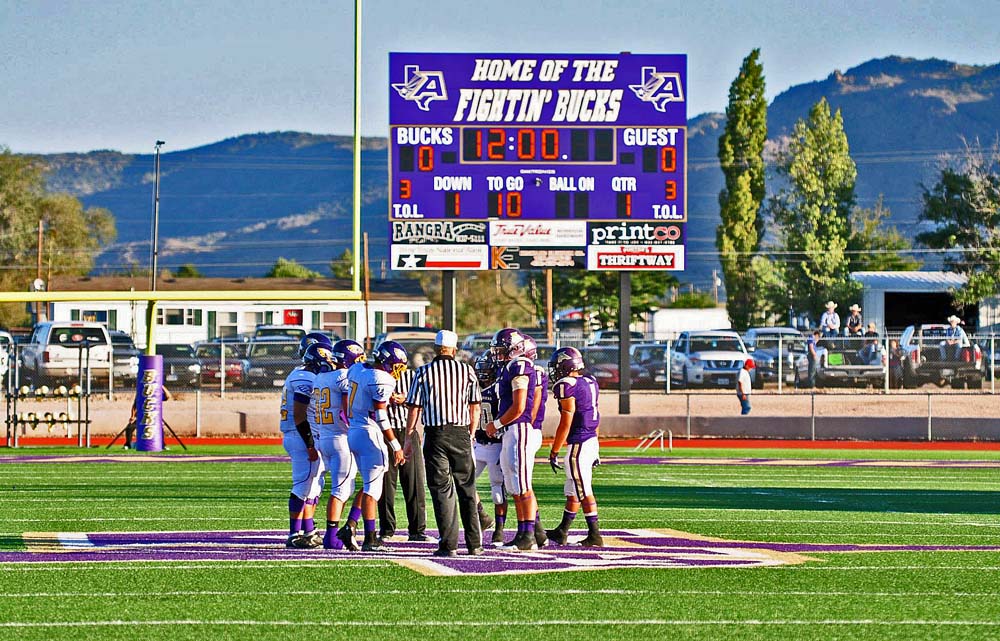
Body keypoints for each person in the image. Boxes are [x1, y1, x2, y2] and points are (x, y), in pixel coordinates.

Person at [404, 330, 484, 557]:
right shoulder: (466, 370)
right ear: (454, 349)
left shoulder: (423, 372)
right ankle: (474, 544)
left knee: (442, 490)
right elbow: (475, 406)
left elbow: (414, 408)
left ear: (436, 348)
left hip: (436, 434)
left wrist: (410, 438)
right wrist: (470, 433)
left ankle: (449, 544)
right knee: (467, 488)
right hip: (460, 432)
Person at [485, 327, 541, 551]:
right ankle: (522, 533)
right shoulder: (509, 367)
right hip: (511, 431)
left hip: (518, 429)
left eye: (501, 350)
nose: (497, 354)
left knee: (523, 485)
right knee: (514, 486)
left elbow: (519, 407)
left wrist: (496, 424)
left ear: (514, 348)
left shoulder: (521, 365)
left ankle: (528, 535)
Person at [544, 347, 604, 547]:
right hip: (589, 440)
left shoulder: (566, 384)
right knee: (573, 488)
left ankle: (595, 534)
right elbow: (594, 414)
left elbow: (566, 420)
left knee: (583, 489)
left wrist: (555, 449)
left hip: (579, 442)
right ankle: (563, 530)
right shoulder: (590, 381)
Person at [312, 339, 365, 550]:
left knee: (339, 488)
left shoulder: (321, 377)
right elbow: (347, 411)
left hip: (324, 436)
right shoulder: (344, 377)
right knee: (341, 490)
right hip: (341, 439)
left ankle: (333, 533)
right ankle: (332, 536)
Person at [280, 340, 329, 549]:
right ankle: (294, 533)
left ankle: (308, 531)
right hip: (299, 435)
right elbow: (300, 415)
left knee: (314, 484)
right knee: (303, 484)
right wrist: (309, 444)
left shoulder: (302, 373)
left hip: (301, 434)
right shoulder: (304, 377)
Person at [377, 356, 429, 542]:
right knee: (385, 483)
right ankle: (386, 529)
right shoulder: (377, 377)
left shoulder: (412, 376)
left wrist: (406, 400)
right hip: (386, 432)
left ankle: (417, 530)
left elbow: (424, 401)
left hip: (408, 432)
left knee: (414, 481)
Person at [472, 351, 507, 545]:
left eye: (486, 368)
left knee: (497, 490)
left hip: (495, 445)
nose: (482, 372)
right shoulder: (474, 389)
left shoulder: (499, 390)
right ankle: (482, 516)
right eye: (481, 368)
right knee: (464, 480)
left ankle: (499, 530)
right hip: (478, 443)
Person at [124, 384, 173, 449]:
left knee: (159, 428)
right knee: (129, 427)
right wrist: (132, 416)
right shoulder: (140, 394)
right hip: (141, 416)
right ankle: (127, 444)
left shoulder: (156, 395)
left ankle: (162, 445)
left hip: (153, 416)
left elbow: (168, 396)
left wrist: (161, 386)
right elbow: (134, 406)